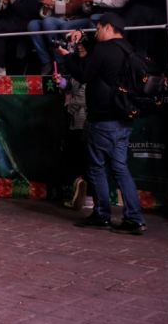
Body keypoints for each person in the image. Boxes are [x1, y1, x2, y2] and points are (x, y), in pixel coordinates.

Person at [59, 13, 146, 235]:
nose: (95, 31)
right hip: (124, 118)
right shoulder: (127, 49)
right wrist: (84, 40)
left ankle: (102, 214)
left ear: (108, 28)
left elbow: (84, 74)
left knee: (96, 167)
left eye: (97, 28)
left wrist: (68, 56)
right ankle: (134, 218)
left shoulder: (104, 50)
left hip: (102, 120)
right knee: (120, 168)